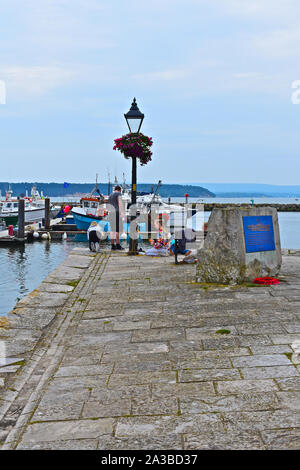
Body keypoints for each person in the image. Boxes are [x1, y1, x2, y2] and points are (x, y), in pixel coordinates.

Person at [108, 185, 124, 250]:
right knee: (117, 230)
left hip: (111, 212)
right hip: (117, 212)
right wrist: (122, 213)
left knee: (112, 230)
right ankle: (118, 245)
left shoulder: (110, 195)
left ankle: (112, 245)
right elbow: (120, 203)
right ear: (119, 190)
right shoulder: (118, 194)